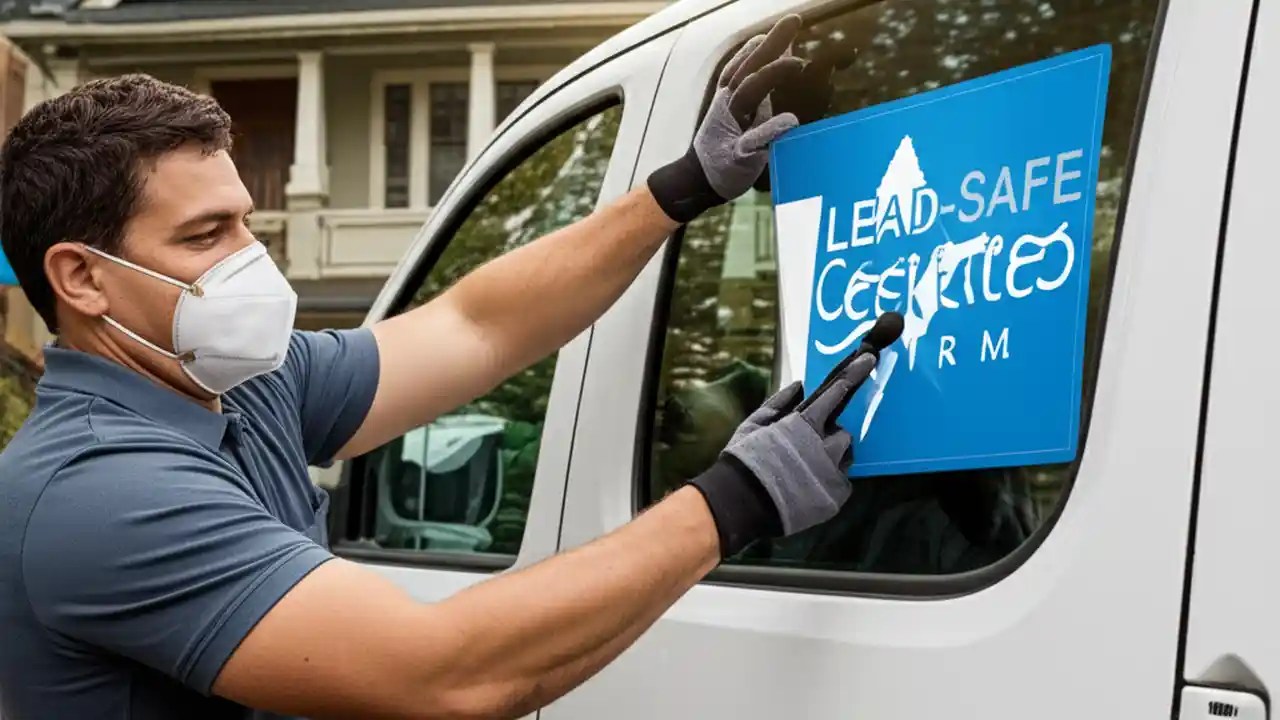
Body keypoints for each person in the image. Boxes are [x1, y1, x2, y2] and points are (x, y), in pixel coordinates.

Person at [0, 15, 874, 720]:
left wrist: (681, 188)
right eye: (204, 236)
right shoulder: (97, 490)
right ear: (82, 279)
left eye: (244, 224)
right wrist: (735, 498)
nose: (250, 260)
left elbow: (476, 325)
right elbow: (444, 676)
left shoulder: (236, 386)